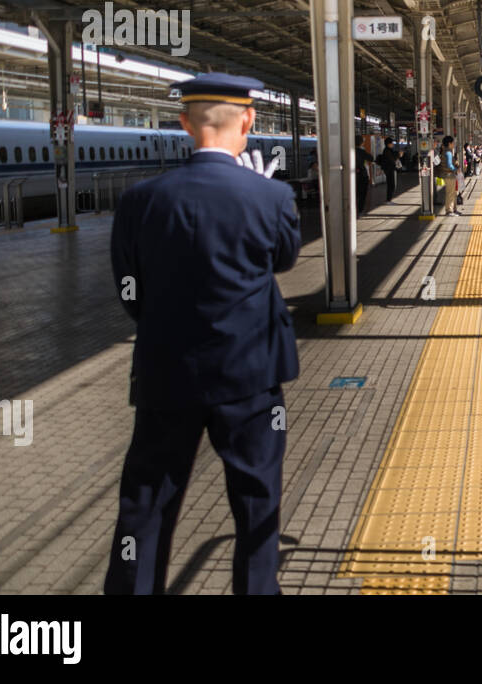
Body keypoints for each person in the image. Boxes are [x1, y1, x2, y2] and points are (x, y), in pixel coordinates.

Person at [105, 73, 300, 595]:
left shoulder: (139, 201)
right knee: (257, 503)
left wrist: (163, 324)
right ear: (249, 120)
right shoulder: (272, 196)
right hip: (251, 378)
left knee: (145, 506)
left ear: (184, 123)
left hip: (165, 376)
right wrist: (262, 191)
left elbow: (128, 291)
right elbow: (284, 260)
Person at [436, 134, 459, 216]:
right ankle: (449, 211)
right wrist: (456, 170)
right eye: (453, 143)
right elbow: (449, 165)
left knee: (453, 192)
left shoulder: (445, 151)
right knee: (450, 193)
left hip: (448, 175)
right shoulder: (448, 152)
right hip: (449, 175)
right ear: (449, 143)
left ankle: (454, 209)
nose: (454, 144)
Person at [355, 137, 374, 217]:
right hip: (362, 175)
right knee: (362, 194)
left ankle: (351, 210)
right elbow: (371, 158)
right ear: (361, 143)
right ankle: (360, 211)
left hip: (352, 175)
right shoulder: (361, 151)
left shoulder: (348, 151)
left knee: (354, 193)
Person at [377, 137, 400, 201]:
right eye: (392, 143)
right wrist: (398, 155)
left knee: (391, 184)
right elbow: (392, 159)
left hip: (390, 169)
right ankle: (388, 200)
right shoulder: (387, 151)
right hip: (389, 169)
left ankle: (389, 199)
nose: (393, 144)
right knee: (391, 184)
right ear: (388, 144)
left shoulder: (389, 150)